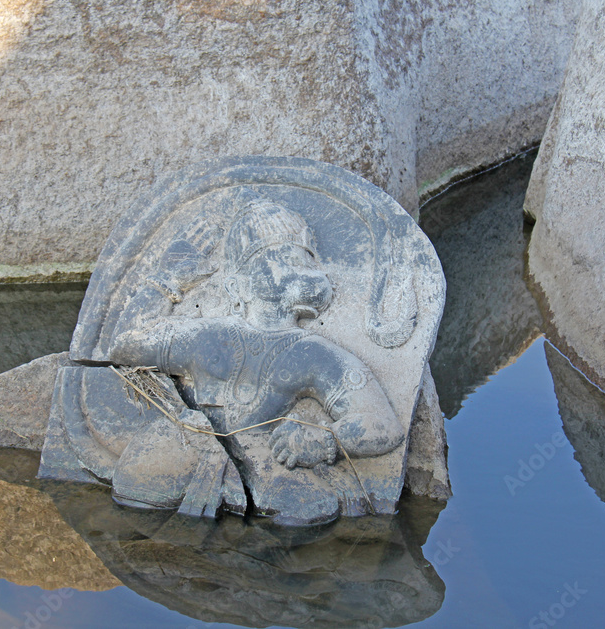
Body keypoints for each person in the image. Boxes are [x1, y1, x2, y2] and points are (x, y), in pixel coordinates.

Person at [103, 192, 404, 522]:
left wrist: (322, 441)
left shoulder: (313, 354)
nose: (296, 269)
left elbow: (383, 424)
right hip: (192, 446)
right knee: (147, 474)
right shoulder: (206, 336)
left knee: (310, 507)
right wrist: (167, 279)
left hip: (264, 458)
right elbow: (123, 346)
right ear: (238, 285)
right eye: (278, 259)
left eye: (302, 260)